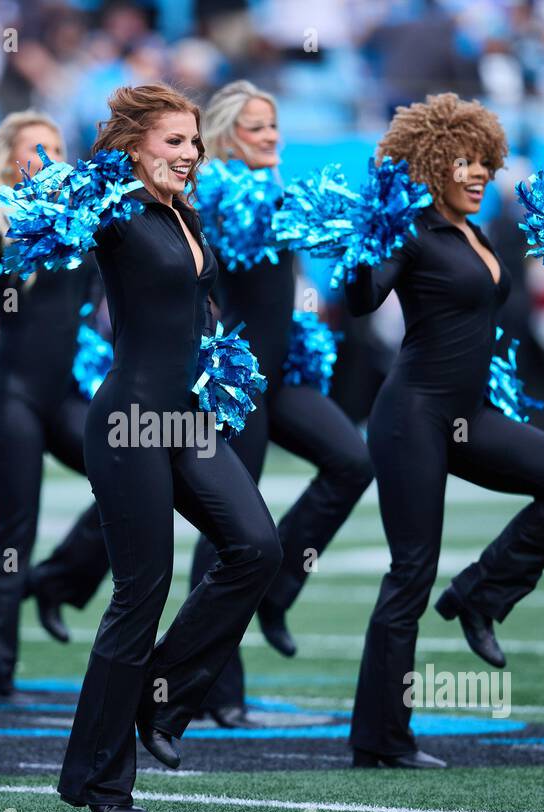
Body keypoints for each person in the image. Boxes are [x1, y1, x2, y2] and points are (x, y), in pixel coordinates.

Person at [344, 93, 544, 770]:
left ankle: (480, 595)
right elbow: (361, 297)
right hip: (412, 416)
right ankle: (381, 737)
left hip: (469, 414)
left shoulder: (475, 233)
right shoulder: (409, 231)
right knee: (410, 571)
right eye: (461, 160)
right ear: (430, 163)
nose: (477, 172)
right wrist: (366, 234)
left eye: (484, 160)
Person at [57, 84, 282, 812]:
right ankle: (100, 778)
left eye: (193, 142)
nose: (188, 154)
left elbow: (200, 308)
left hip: (185, 419)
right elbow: (54, 225)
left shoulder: (185, 212)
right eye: (173, 142)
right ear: (133, 148)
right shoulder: (116, 211)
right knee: (140, 593)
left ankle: (160, 701)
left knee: (256, 547)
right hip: (128, 420)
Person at [186, 80, 372, 729]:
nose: (273, 136)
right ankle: (211, 683)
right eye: (259, 127)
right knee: (230, 529)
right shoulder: (214, 194)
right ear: (229, 133)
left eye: (275, 126)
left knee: (351, 459)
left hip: (282, 371)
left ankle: (279, 588)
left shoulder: (275, 192)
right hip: (235, 377)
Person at [0, 110, 109, 704]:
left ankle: (54, 582)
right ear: (8, 161)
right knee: (14, 532)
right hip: (9, 397)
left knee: (137, 477)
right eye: (33, 148)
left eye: (55, 146)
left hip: (64, 395)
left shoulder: (83, 221)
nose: (48, 157)